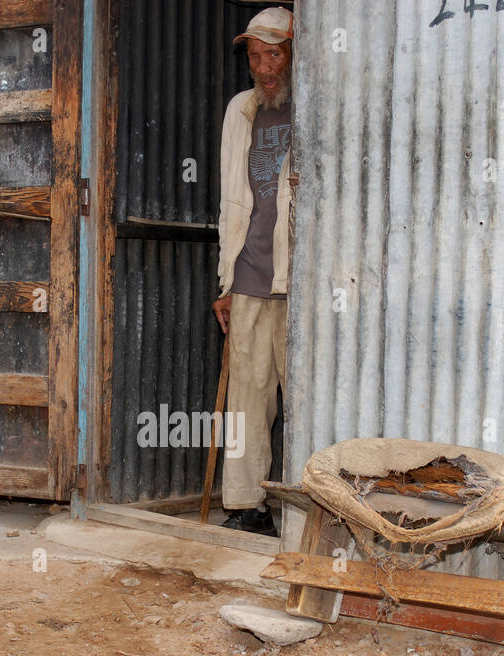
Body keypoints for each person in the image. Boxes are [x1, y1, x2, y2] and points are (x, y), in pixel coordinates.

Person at [212, 6, 294, 538]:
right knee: (246, 397)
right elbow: (231, 201)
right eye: (255, 57)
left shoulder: (314, 107)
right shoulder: (241, 110)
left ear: (294, 55)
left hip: (299, 283)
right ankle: (247, 505)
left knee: (303, 397)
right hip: (248, 276)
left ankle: (309, 511)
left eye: (274, 54)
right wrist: (224, 280)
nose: (264, 68)